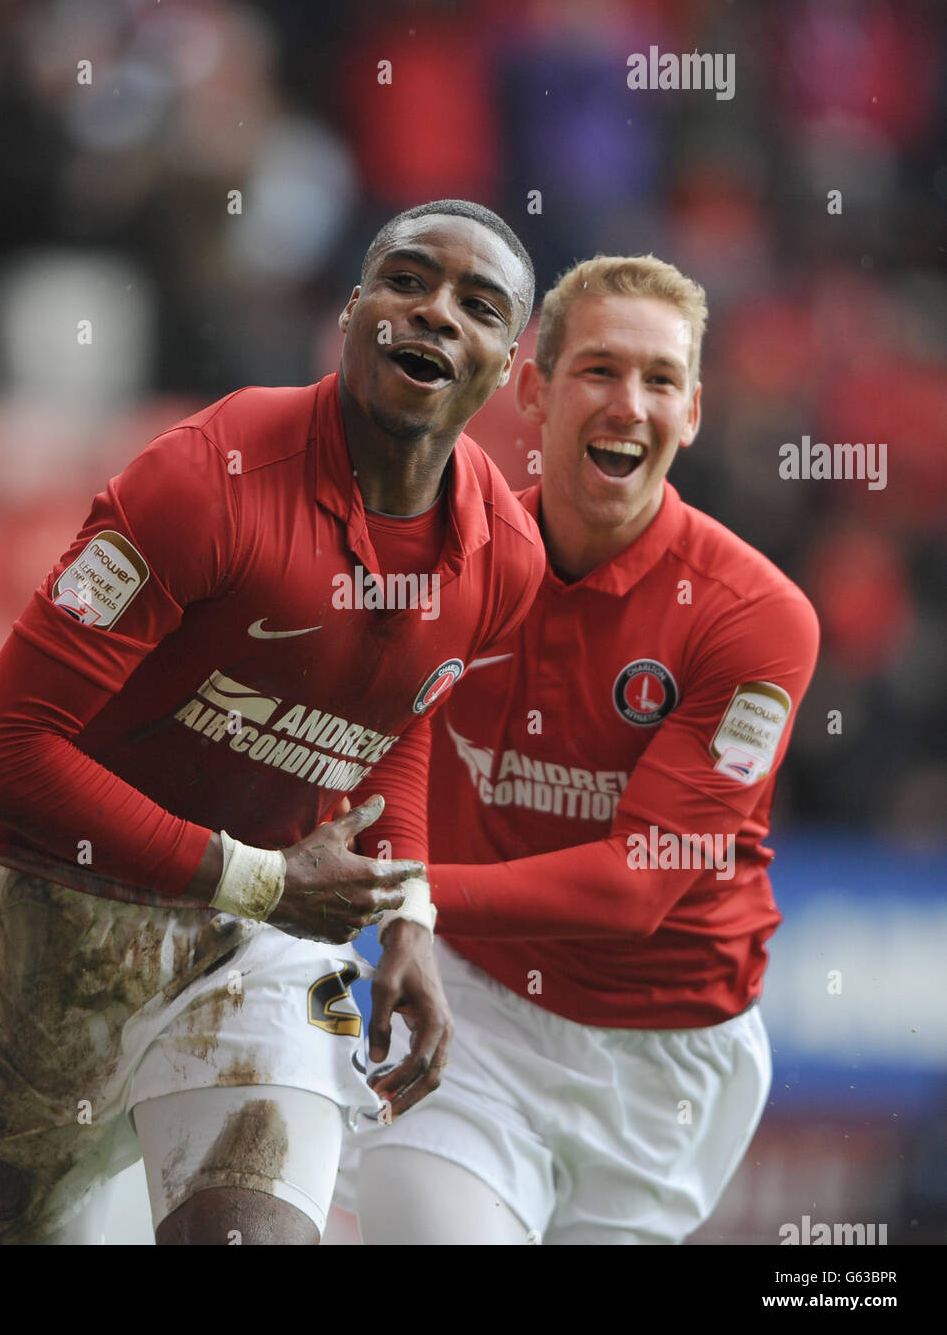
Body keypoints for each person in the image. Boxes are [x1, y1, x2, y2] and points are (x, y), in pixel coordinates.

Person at [0, 198, 546, 1245]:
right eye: (405, 281)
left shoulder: (507, 559)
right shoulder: (204, 478)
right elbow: (1, 753)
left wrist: (408, 914)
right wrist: (260, 876)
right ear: (351, 312)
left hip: (260, 940)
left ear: (505, 368)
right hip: (40, 914)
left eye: (479, 306)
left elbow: (400, 721)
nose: (436, 311)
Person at [347, 254, 821, 1245]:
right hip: (472, 1009)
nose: (629, 404)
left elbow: (636, 885)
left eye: (661, 380)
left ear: (693, 411)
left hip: (668, 1062)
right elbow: (368, 736)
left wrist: (407, 892)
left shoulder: (756, 616)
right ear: (533, 389)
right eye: (600, 369)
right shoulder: (450, 557)